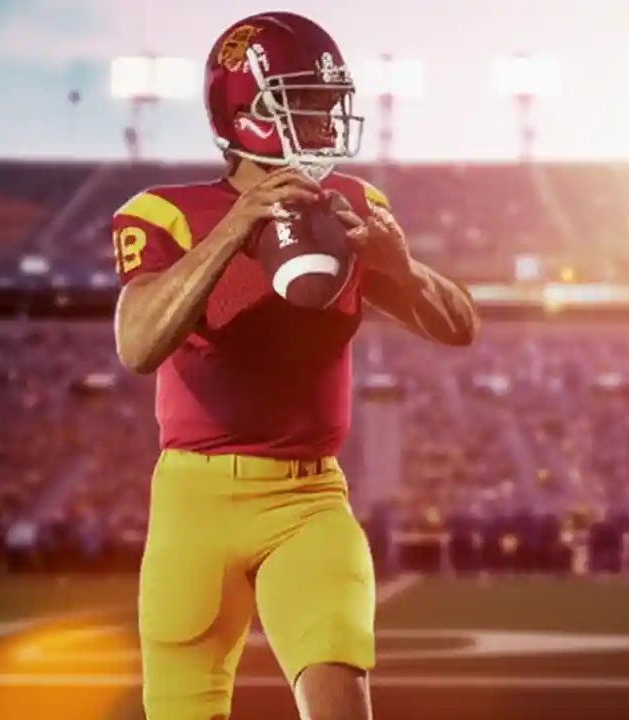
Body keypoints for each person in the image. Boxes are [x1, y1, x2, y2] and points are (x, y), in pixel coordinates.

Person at [110, 12, 479, 720]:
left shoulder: (353, 206)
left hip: (309, 499)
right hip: (196, 502)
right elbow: (137, 345)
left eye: (326, 103)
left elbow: (458, 325)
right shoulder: (165, 213)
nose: (324, 122)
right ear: (244, 112)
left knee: (341, 699)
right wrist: (233, 230)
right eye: (303, 103)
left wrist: (400, 268)